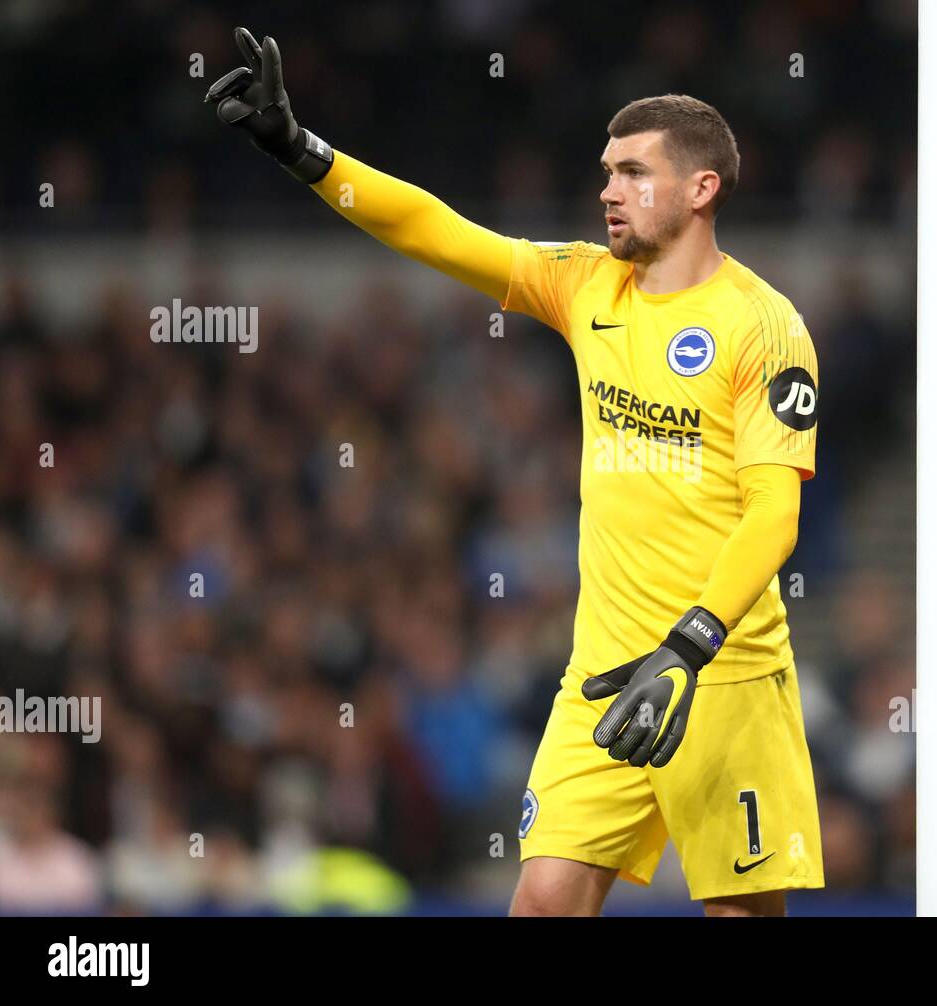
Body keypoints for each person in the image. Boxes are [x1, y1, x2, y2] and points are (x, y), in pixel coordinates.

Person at [206, 27, 823, 917]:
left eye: (633, 173)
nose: (608, 191)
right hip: (604, 672)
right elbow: (435, 229)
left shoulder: (765, 327)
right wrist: (303, 152)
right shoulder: (584, 286)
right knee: (541, 902)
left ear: (701, 188)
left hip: (720, 674)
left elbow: (774, 516)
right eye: (606, 171)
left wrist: (688, 648)